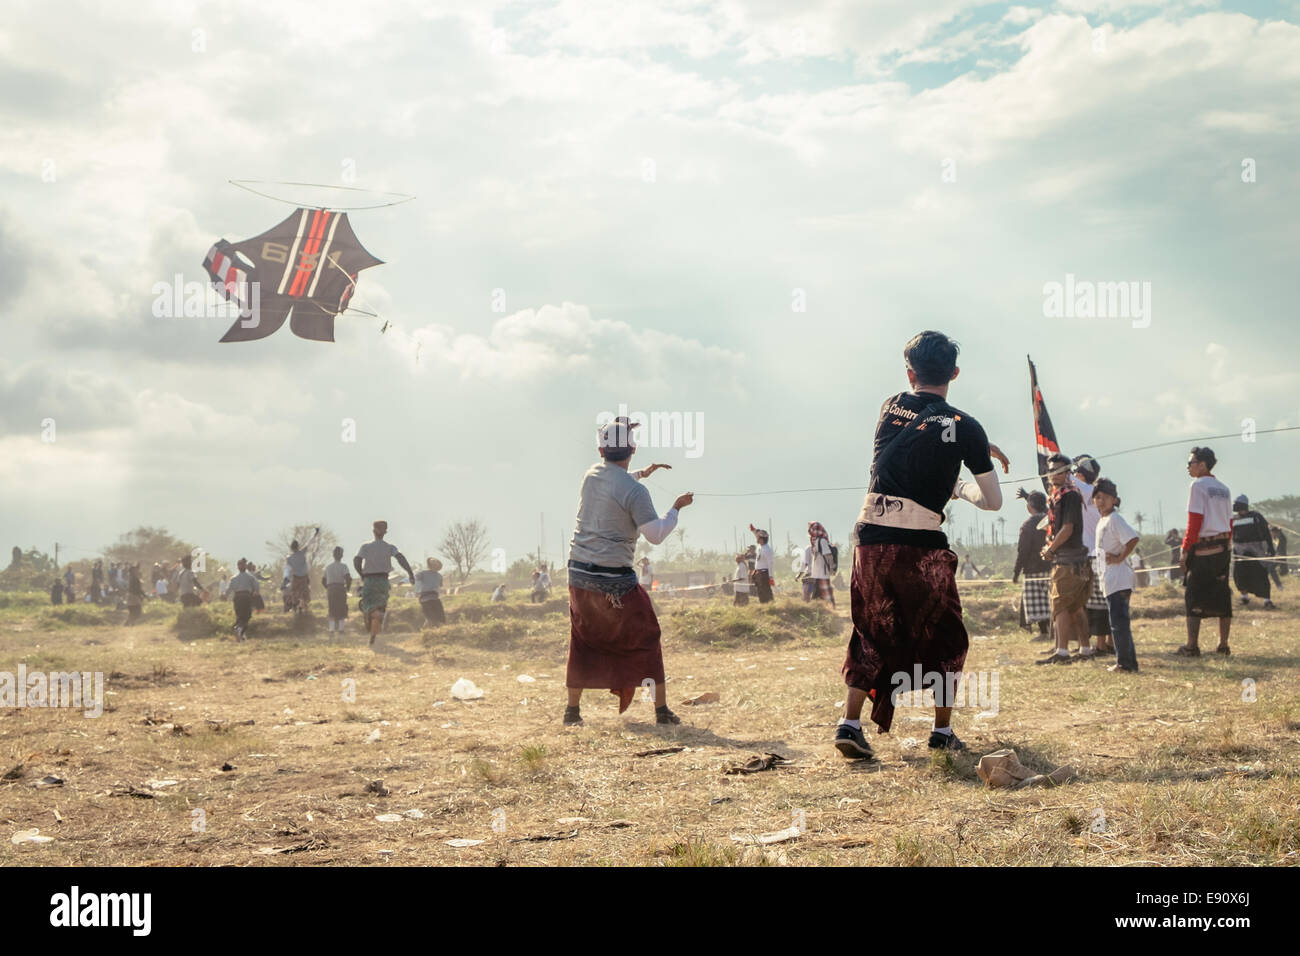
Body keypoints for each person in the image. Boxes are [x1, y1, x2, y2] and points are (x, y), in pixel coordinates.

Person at [836, 331, 1009, 759]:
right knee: (946, 634)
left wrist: (961, 451)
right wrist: (962, 481)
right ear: (954, 372)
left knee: (870, 630)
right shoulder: (966, 427)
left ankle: (850, 724)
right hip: (921, 544)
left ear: (909, 372)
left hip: (870, 538)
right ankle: (942, 731)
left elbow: (923, 436)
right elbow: (992, 502)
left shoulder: (889, 407)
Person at [564, 416, 693, 727]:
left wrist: (642, 473)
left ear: (600, 451)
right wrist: (675, 508)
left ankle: (572, 712)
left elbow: (612, 482)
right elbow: (656, 534)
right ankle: (661, 711)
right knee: (647, 636)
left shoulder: (590, 476)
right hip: (615, 582)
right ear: (632, 450)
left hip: (578, 576)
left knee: (583, 637)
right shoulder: (635, 492)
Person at [1036, 453, 1095, 665]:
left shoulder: (1069, 495)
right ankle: (1086, 648)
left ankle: (1062, 652)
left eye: (1058, 470)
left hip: (1068, 559)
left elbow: (1067, 528)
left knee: (1059, 605)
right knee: (1075, 607)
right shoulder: (1058, 495)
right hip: (1074, 558)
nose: (1053, 474)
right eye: (1051, 470)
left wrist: (1050, 549)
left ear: (1067, 472)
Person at [1179, 446, 1233, 656]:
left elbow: (1194, 521)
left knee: (1193, 595)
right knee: (1222, 595)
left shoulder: (1198, 486)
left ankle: (1192, 646)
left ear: (1202, 464)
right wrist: (1228, 544)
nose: (1188, 467)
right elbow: (1230, 521)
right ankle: (1223, 644)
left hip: (1203, 548)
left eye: (1191, 462)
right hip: (1222, 548)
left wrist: (1185, 549)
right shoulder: (1224, 488)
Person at [1092, 479, 1140, 672]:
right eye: (1097, 497)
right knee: (1118, 623)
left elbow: (1132, 538)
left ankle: (1124, 663)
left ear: (1114, 499)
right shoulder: (1103, 520)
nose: (1100, 501)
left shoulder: (1115, 519)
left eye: (1105, 497)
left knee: (1119, 624)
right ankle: (1129, 662)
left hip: (1119, 578)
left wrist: (1121, 557)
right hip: (1109, 578)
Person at [1071, 454, 1113, 653]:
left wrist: (1061, 465)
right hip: (1097, 553)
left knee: (1095, 601)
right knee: (1099, 599)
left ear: (1081, 474)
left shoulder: (1087, 491)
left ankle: (1101, 644)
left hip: (1093, 554)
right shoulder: (1091, 494)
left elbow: (1062, 476)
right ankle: (1103, 643)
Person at [353, 521, 414, 646]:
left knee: (368, 605)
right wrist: (410, 573)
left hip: (370, 580)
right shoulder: (390, 547)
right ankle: (373, 636)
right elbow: (400, 558)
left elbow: (356, 560)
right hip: (383, 581)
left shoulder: (365, 546)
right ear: (385, 532)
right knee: (379, 608)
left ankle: (374, 614)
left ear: (373, 531)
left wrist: (361, 574)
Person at [1012, 488, 1051, 639]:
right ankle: (1052, 632)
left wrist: (1016, 572)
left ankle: (1044, 632)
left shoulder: (1028, 525)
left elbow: (1023, 551)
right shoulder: (1051, 519)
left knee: (1037, 602)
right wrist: (1028, 497)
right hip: (1051, 567)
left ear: (1029, 506)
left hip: (1033, 570)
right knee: (1049, 601)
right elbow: (1045, 507)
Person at [1231, 495, 1276, 609]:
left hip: (1256, 550)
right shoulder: (1234, 519)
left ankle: (1267, 600)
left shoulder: (1256, 516)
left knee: (1260, 574)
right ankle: (1245, 597)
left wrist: (1270, 547)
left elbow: (1266, 532)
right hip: (1239, 551)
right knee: (1239, 574)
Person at [285, 528, 321, 614]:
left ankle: (296, 607)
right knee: (305, 593)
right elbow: (310, 542)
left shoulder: (289, 558)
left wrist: (288, 578)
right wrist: (315, 534)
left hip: (296, 577)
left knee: (295, 593)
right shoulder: (302, 552)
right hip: (304, 577)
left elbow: (289, 569)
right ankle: (301, 607)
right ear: (298, 546)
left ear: (291, 548)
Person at [801, 522, 836, 606]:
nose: (810, 531)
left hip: (822, 573)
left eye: (811, 529)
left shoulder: (822, 541)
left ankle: (827, 610)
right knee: (819, 593)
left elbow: (828, 556)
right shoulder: (815, 541)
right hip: (817, 574)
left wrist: (831, 569)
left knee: (823, 593)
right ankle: (822, 609)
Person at [322, 546, 352, 635]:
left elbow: (323, 581)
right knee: (341, 609)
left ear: (333, 555)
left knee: (332, 609)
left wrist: (328, 588)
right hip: (340, 588)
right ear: (341, 556)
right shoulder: (344, 566)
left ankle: (331, 630)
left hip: (331, 589)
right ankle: (340, 630)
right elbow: (348, 578)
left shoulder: (328, 567)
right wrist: (348, 588)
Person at [229, 558, 257, 640]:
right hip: (246, 597)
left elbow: (229, 589)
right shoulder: (250, 577)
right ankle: (239, 630)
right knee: (247, 616)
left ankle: (240, 632)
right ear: (246, 567)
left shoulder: (233, 578)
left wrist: (225, 595)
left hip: (237, 597)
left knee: (239, 615)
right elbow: (255, 588)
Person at [416, 558, 446, 626]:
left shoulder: (439, 576)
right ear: (430, 565)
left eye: (436, 563)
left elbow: (440, 586)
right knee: (430, 619)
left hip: (434, 597)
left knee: (440, 618)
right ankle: (426, 632)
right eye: (433, 563)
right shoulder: (423, 573)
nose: (435, 565)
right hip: (425, 598)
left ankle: (429, 631)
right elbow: (415, 578)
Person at [749, 526, 775, 604]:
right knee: (760, 591)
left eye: (758, 537)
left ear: (761, 539)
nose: (756, 538)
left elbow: (770, 564)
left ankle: (770, 606)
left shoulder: (767, 550)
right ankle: (763, 605)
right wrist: (753, 530)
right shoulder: (760, 547)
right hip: (758, 573)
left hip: (764, 573)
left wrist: (771, 577)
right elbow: (757, 533)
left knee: (766, 591)